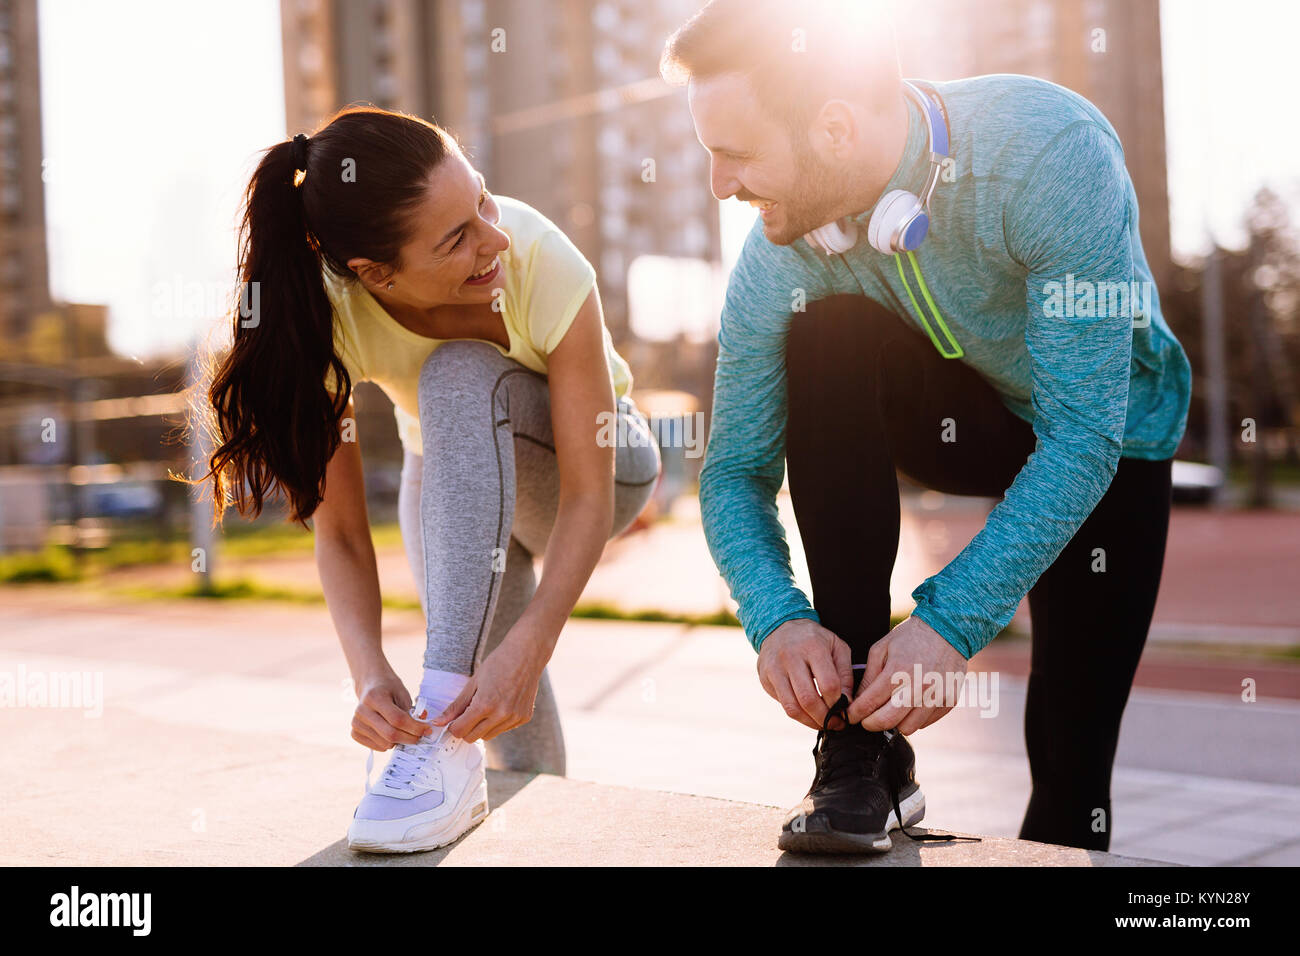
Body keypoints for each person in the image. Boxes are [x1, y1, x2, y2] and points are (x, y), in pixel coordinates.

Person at [661, 0, 1191, 853]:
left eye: (736, 154)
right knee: (829, 335)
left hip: (1109, 434)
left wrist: (949, 624)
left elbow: (1081, 436)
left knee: (1071, 759)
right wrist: (776, 617)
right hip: (958, 417)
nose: (720, 184)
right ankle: (862, 752)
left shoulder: (1049, 157)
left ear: (834, 128)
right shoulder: (778, 254)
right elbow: (732, 473)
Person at [196, 106, 661, 853]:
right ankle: (509, 820)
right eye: (457, 239)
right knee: (494, 713)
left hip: (598, 475)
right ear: (374, 274)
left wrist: (533, 643)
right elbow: (343, 531)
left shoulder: (540, 258)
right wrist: (368, 673)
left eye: (481, 199)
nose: (495, 237)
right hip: (453, 487)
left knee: (457, 375)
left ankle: (438, 702)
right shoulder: (328, 314)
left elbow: (587, 493)